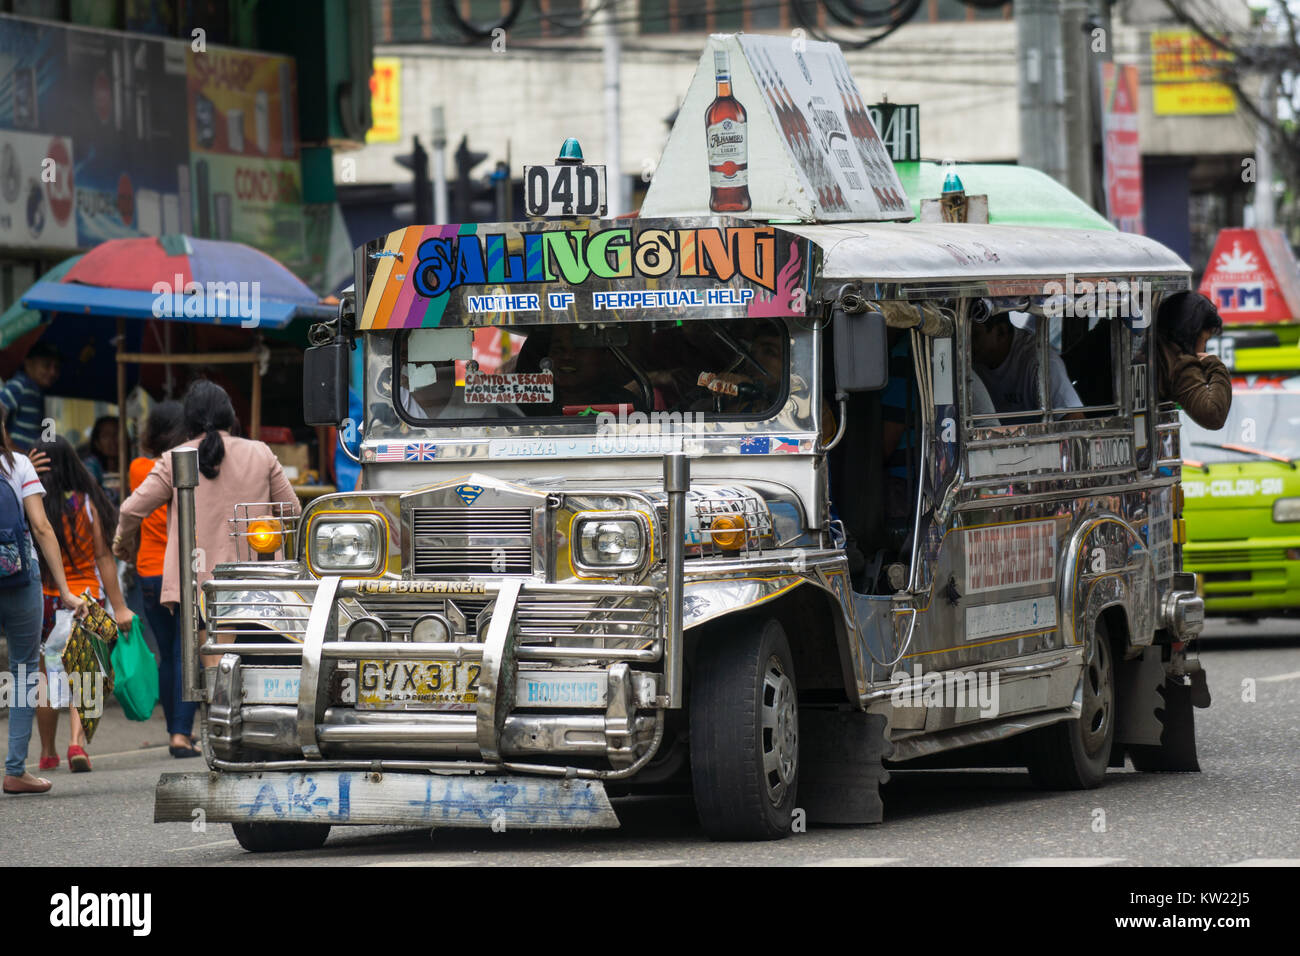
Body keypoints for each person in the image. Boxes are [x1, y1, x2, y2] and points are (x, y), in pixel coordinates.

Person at [113, 381, 299, 666]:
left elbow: (130, 511)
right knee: (257, 670)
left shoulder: (175, 458)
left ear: (188, 421)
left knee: (215, 682)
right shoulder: (260, 452)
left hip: (200, 584)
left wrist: (122, 544)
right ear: (231, 417)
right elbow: (292, 511)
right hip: (259, 583)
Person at [30, 437, 136, 774]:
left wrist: (24, 475)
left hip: (46, 599)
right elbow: (104, 558)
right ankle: (76, 742)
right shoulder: (87, 503)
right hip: (87, 601)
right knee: (85, 674)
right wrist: (119, 608)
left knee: (46, 678)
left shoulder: (33, 502)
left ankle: (47, 752)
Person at [1, 417, 86, 795]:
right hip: (20, 579)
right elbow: (41, 527)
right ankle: (16, 770)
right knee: (22, 671)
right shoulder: (17, 464)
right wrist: (65, 590)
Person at [127, 402, 198, 758]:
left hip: (147, 572)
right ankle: (180, 734)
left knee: (168, 655)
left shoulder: (138, 468)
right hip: (179, 571)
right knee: (186, 652)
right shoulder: (182, 466)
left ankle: (177, 729)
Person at [970, 312, 1083, 420]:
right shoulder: (969, 360)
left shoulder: (1039, 362)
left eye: (974, 336)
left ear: (1001, 331)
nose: (967, 343)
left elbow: (1074, 419)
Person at [1155, 291, 1231, 430]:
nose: (1204, 349)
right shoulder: (1179, 363)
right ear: (1192, 333)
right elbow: (1214, 416)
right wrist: (1215, 366)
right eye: (1204, 340)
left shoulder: (1157, 348)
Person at [0, 340, 60, 452]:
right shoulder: (19, 385)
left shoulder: (38, 393)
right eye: (46, 366)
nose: (52, 372)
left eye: (56, 367)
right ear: (28, 364)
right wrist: (13, 450)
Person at [81, 416, 121, 498]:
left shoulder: (132, 465)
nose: (113, 440)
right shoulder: (91, 466)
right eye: (106, 436)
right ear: (97, 443)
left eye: (116, 434)